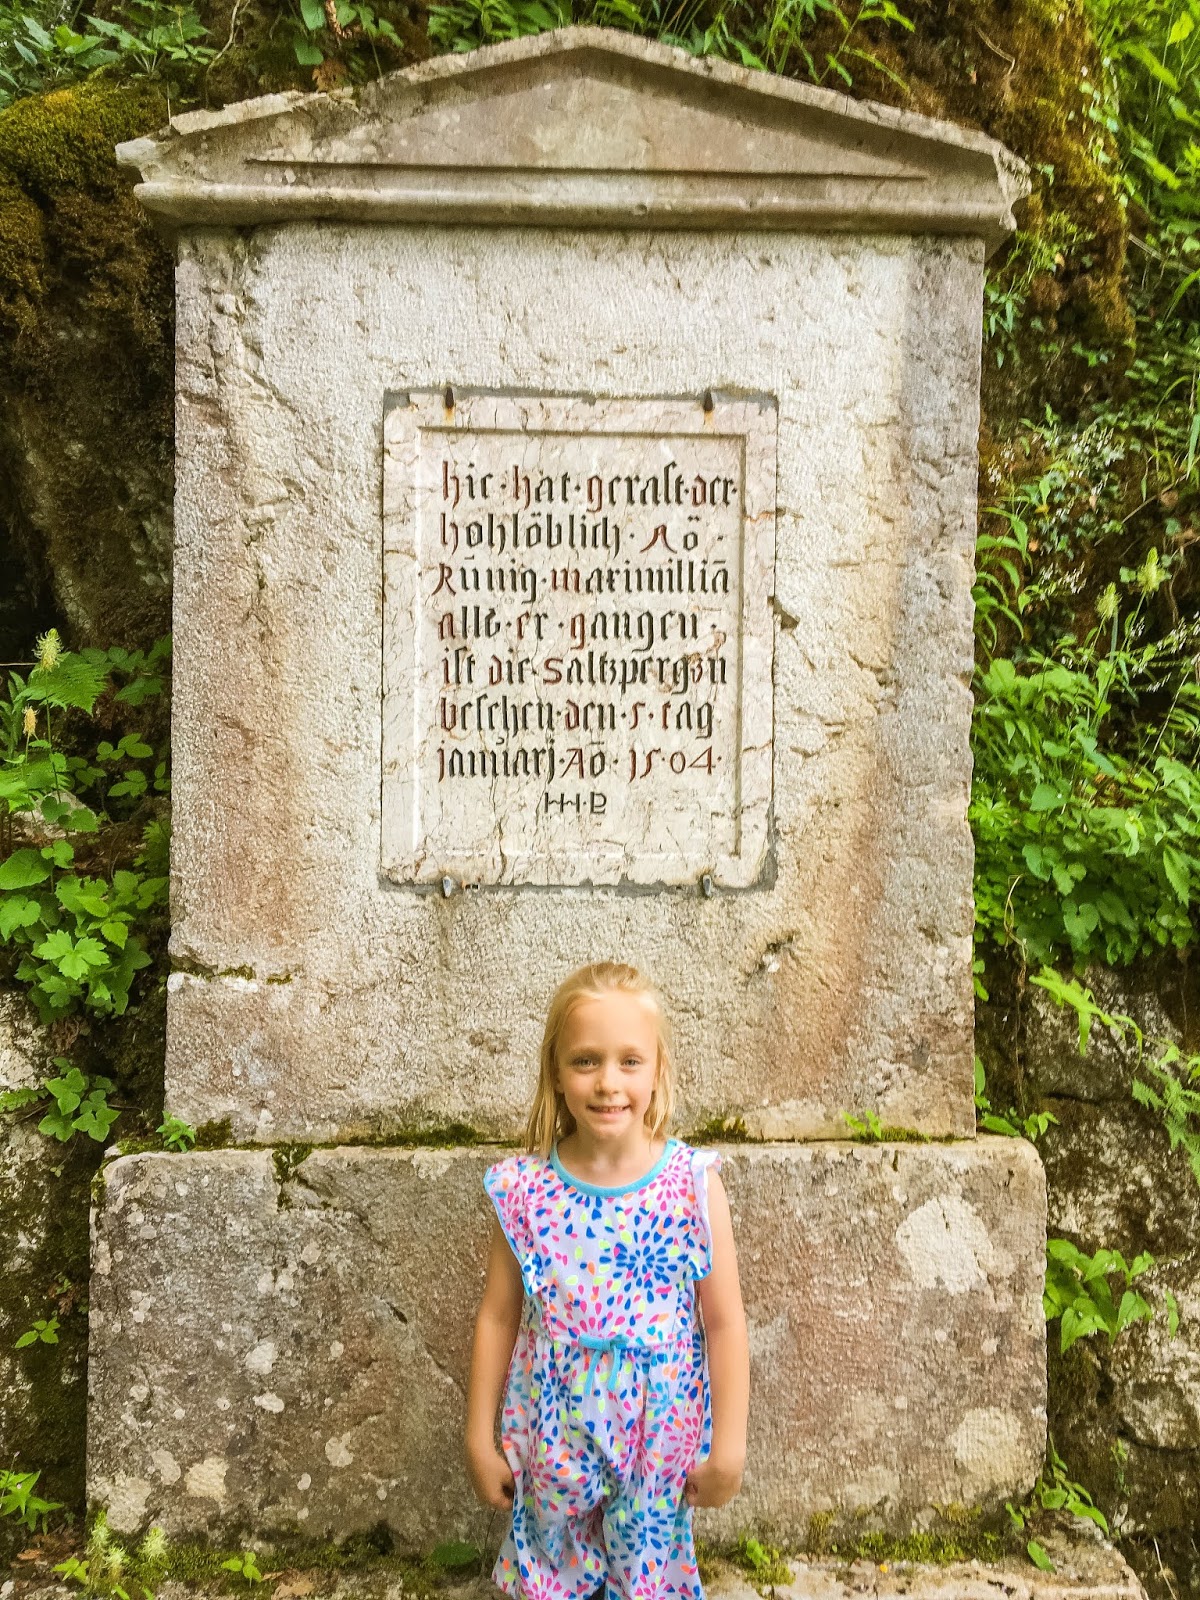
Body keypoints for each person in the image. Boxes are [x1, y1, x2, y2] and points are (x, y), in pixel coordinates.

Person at [464, 961, 749, 1600]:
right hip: (550, 1429)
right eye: (586, 1061)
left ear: (657, 1070)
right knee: (550, 1571)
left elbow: (725, 1321)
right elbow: (498, 1316)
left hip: (659, 1435)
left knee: (643, 1576)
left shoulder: (693, 1186)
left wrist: (728, 1447)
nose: (607, 1083)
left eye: (629, 1061)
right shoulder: (526, 1191)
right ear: (556, 1074)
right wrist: (479, 1437)